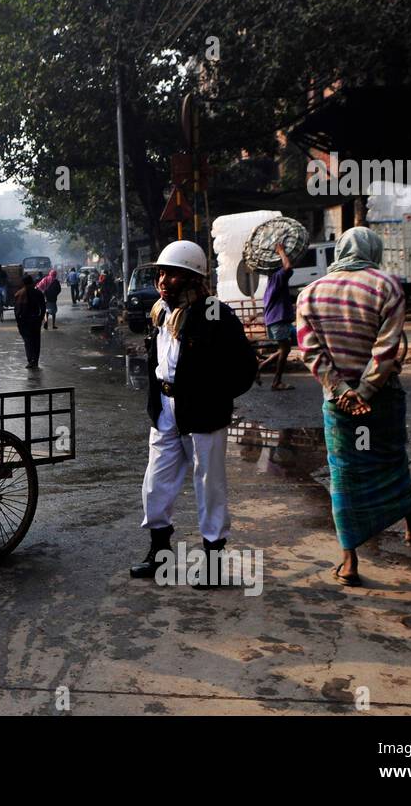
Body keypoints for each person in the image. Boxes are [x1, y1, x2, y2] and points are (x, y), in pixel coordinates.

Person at [295, 227, 411, 587]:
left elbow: (309, 352)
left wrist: (342, 390)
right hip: (382, 397)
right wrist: (367, 390)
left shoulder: (310, 293)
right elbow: (387, 348)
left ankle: (349, 561)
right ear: (374, 249)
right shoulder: (386, 285)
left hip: (338, 402)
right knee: (391, 460)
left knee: (344, 474)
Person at [130, 241, 257, 587]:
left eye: (172, 274)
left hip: (203, 413)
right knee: (155, 484)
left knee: (209, 485)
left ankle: (214, 564)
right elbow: (158, 361)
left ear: (191, 277)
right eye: (161, 273)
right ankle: (160, 555)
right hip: (166, 410)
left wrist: (213, 395)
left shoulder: (216, 313)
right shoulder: (161, 312)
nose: (163, 280)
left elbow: (245, 368)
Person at [255, 241, 296, 391]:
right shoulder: (278, 277)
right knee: (285, 350)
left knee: (284, 349)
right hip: (278, 319)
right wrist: (281, 251)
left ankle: (260, 367)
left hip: (275, 320)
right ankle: (276, 381)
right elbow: (288, 267)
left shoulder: (272, 280)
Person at [15, 273, 45, 368]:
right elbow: (43, 308)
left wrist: (19, 323)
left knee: (28, 341)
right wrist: (40, 318)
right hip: (35, 320)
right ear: (32, 283)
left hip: (24, 322)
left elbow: (17, 311)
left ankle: (30, 360)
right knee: (36, 341)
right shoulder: (38, 293)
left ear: (23, 283)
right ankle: (35, 360)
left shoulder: (19, 294)